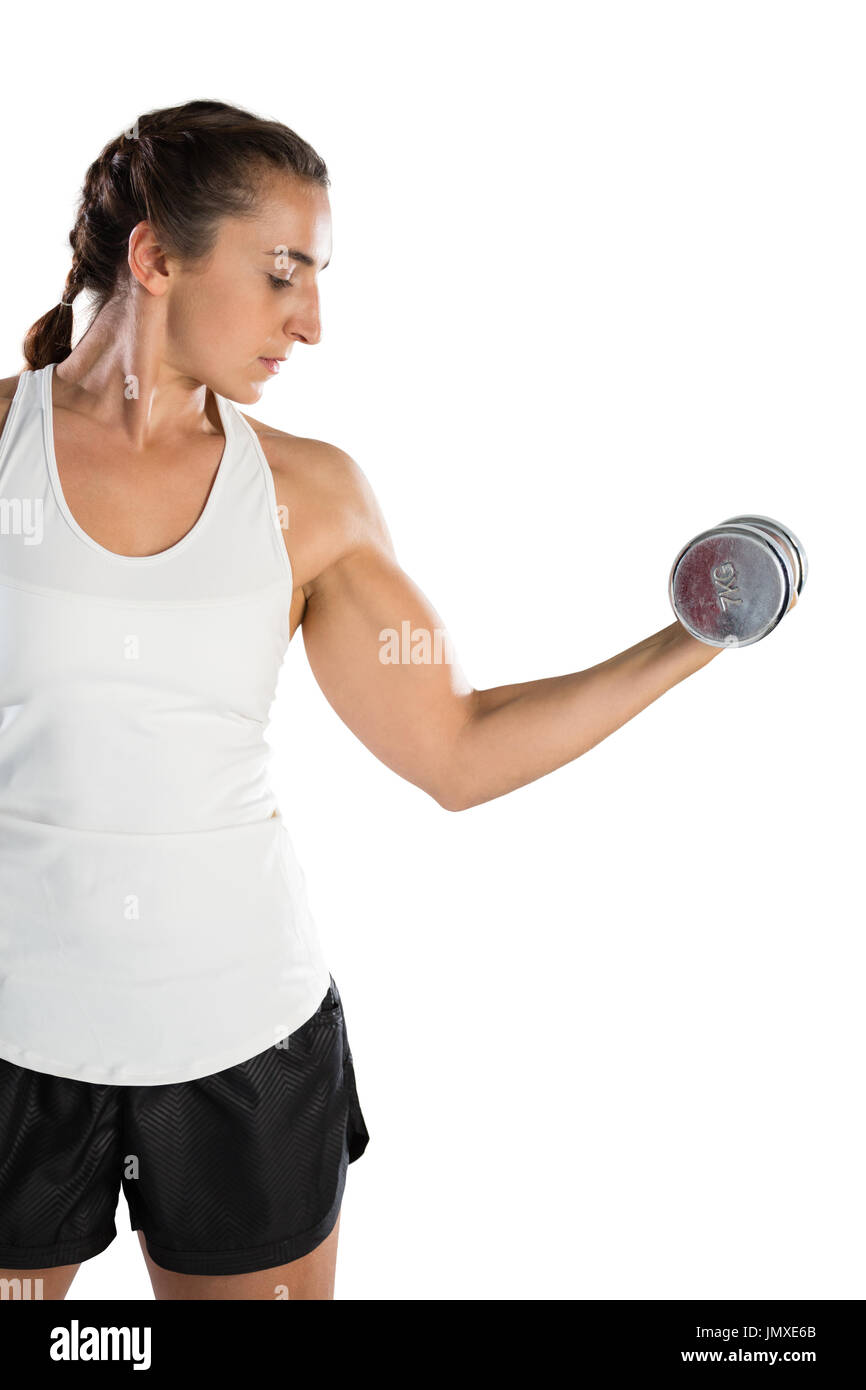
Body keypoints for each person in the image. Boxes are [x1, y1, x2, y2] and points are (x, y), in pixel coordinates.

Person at [0, 99, 722, 1302]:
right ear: (155, 257)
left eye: (320, 279)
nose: (314, 323)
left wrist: (692, 638)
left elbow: (455, 750)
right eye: (284, 274)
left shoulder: (309, 498)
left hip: (242, 1036)